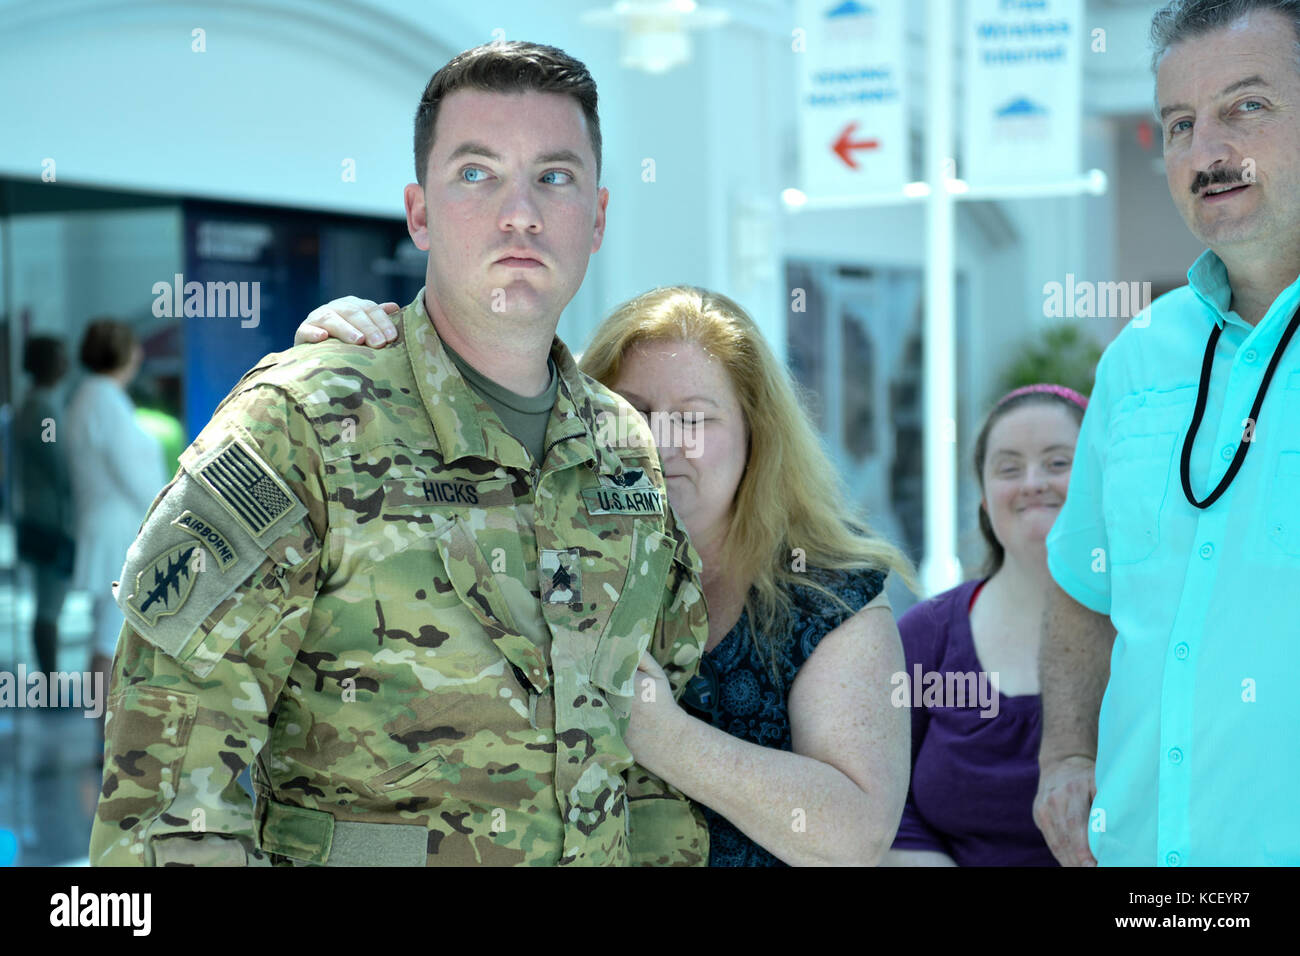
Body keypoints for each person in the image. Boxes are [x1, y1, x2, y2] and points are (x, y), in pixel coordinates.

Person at [89, 41, 707, 868]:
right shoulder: (301, 422)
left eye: (553, 178)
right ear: (419, 212)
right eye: (477, 174)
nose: (519, 211)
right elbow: (165, 786)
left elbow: (652, 763)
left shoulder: (621, 447)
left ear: (596, 217)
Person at [297, 285, 915, 866]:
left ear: (758, 436)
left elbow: (856, 832)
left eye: (696, 419)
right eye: (635, 409)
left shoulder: (826, 596)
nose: (661, 440)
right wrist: (344, 366)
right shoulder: (529, 542)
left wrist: (662, 735)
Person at [1036, 0, 1300, 867]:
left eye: (1245, 108)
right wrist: (1067, 754)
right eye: (1180, 124)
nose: (1206, 153)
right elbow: (1083, 582)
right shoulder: (1139, 357)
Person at [881, 384, 1085, 866]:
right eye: (1009, 468)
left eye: (1059, 463)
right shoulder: (925, 637)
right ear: (985, 503)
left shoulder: (1146, 633)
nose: (1033, 482)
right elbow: (884, 796)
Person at [65, 320, 166, 722]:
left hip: (106, 527)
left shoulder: (91, 398)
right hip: (118, 532)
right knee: (110, 637)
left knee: (105, 633)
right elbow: (134, 475)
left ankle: (105, 732)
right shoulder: (105, 401)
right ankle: (108, 735)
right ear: (124, 353)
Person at [14, 336, 76, 675]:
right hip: (48, 520)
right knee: (49, 604)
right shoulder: (44, 411)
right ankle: (50, 682)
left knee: (48, 602)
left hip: (39, 515)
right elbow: (57, 461)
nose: (65, 365)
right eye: (60, 357)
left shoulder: (36, 404)